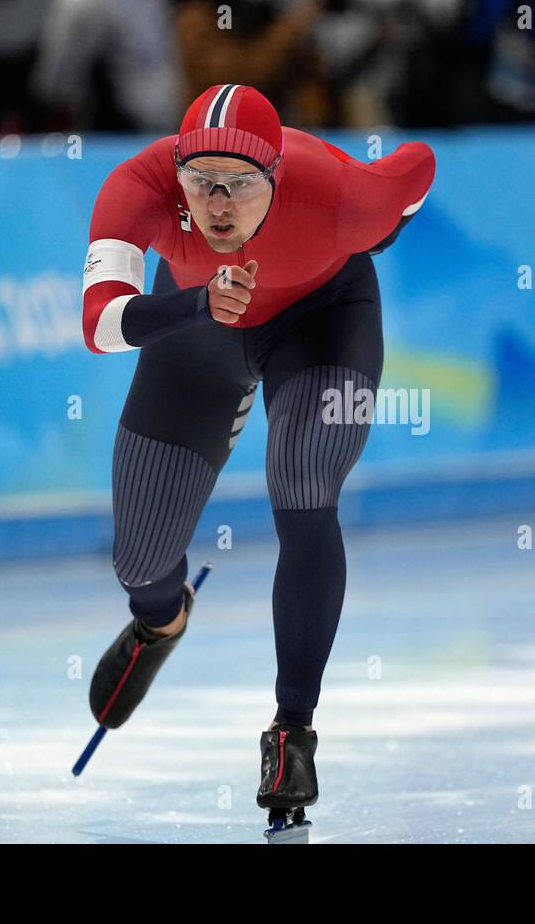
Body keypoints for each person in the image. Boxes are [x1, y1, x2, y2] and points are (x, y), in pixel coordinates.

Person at [80, 84, 434, 822]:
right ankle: (160, 620)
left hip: (322, 320)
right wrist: (195, 303)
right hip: (198, 323)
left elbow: (416, 169)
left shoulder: (335, 191)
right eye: (200, 182)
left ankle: (292, 730)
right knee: (139, 561)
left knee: (303, 482)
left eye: (240, 184)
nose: (216, 203)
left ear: (275, 176)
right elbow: (102, 325)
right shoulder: (139, 185)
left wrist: (383, 230)